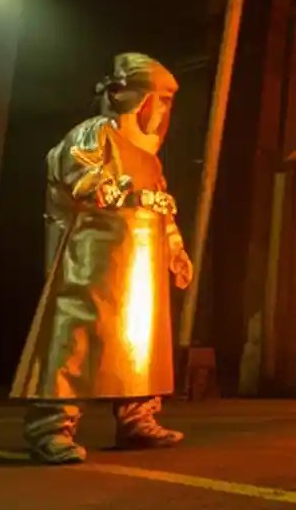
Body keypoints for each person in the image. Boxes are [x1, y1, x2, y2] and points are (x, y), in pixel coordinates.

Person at [11, 52, 193, 464]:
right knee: (76, 338)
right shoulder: (95, 134)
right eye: (159, 99)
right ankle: (50, 427)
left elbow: (162, 207)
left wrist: (176, 247)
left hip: (139, 270)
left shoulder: (150, 156)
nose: (164, 110)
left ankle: (137, 419)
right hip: (90, 263)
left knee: (140, 343)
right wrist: (112, 190)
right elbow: (77, 173)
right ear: (137, 99)